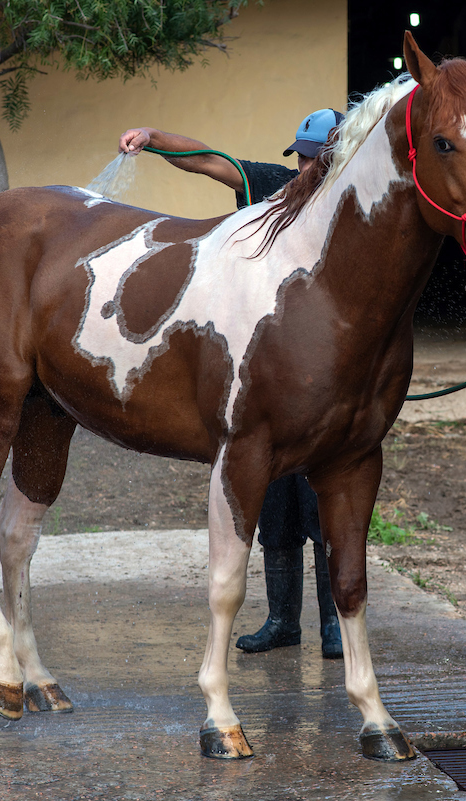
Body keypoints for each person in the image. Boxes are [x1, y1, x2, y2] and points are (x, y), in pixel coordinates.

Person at [118, 109, 346, 660]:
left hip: (321, 381)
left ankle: (334, 625)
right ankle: (282, 620)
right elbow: (209, 161)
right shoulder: (275, 188)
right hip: (268, 376)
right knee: (274, 504)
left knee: (324, 508)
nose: (307, 167)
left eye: (317, 158)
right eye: (303, 157)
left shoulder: (348, 207)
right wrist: (153, 139)